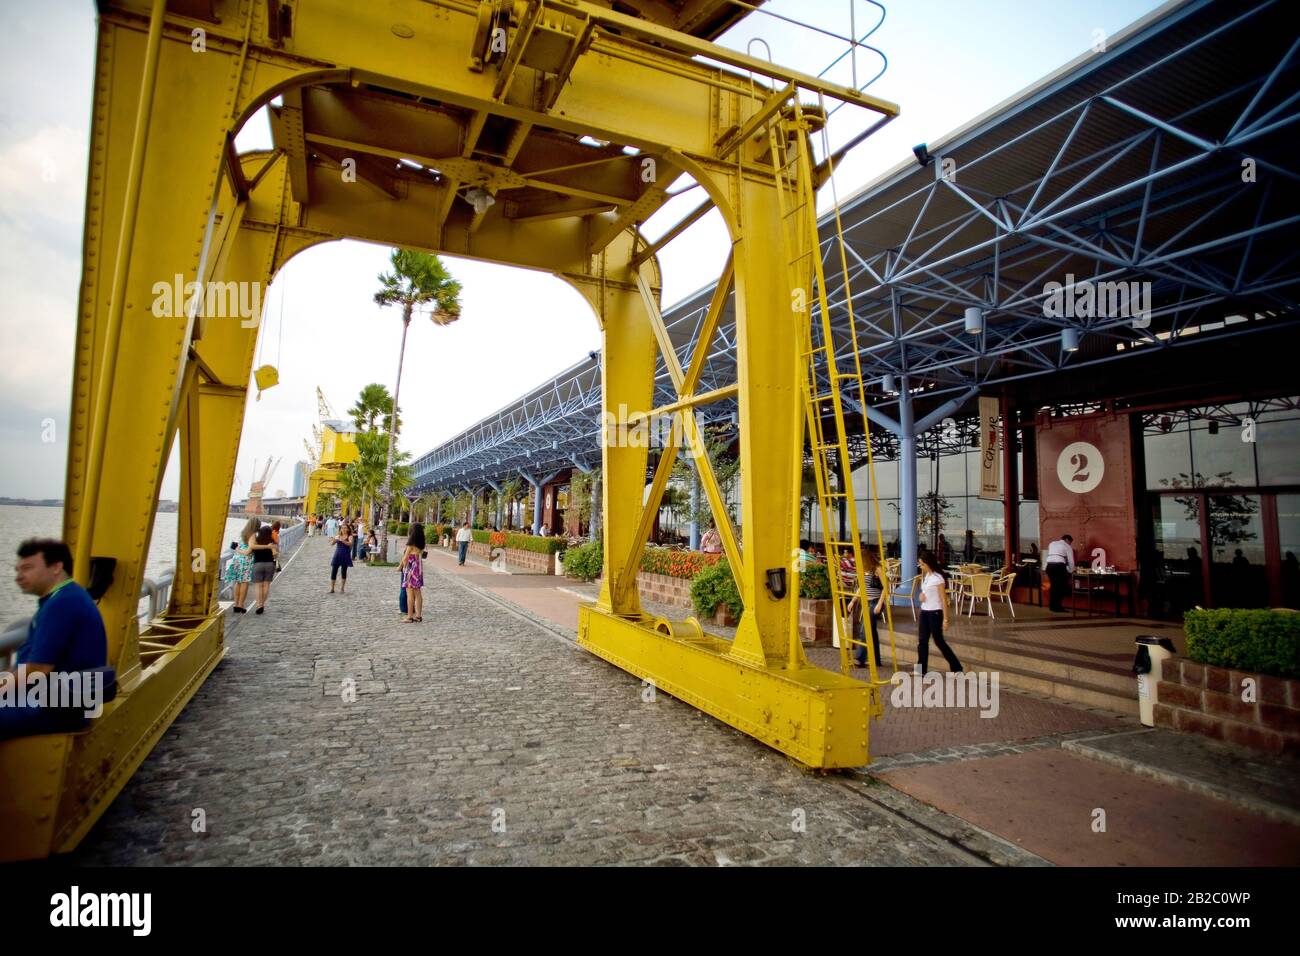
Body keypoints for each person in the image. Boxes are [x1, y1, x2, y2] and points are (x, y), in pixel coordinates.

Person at [1, 539, 109, 740]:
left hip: (53, 707)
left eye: (28, 568)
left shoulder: (62, 604)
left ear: (56, 567)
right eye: (18, 570)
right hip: (61, 699)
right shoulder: (70, 595)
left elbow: (38, 670)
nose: (19, 577)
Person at [917, 549, 963, 675]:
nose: (921, 567)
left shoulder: (938, 578)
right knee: (922, 641)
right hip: (924, 611)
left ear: (928, 563)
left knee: (939, 641)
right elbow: (925, 592)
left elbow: (944, 599)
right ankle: (921, 670)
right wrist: (921, 596)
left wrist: (946, 619)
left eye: (922, 564)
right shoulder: (926, 577)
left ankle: (956, 668)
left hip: (935, 612)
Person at [848, 548, 887, 669]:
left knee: (865, 630)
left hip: (875, 602)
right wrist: (853, 600)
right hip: (866, 602)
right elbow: (862, 587)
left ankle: (860, 658)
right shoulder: (864, 571)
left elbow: (886, 587)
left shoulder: (877, 569)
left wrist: (880, 604)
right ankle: (876, 660)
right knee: (872, 631)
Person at [223, 516, 260, 613]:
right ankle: (241, 605)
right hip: (246, 560)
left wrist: (237, 550)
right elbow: (248, 551)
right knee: (244, 582)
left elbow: (236, 545)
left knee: (237, 582)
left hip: (237, 559)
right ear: (256, 525)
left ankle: (235, 604)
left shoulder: (243, 533)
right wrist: (241, 550)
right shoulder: (252, 535)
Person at [249, 525, 279, 614]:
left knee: (258, 586)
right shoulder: (272, 542)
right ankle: (262, 604)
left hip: (258, 564)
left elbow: (250, 550)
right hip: (270, 565)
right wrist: (272, 548)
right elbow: (275, 555)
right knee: (266, 585)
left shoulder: (256, 541)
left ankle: (258, 605)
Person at [1044, 532, 1075, 612]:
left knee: (1054, 586)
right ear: (1067, 540)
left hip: (1049, 566)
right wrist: (1071, 570)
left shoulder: (1052, 543)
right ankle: (1058, 607)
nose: (1070, 544)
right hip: (1058, 567)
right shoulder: (1066, 546)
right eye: (1070, 542)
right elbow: (1070, 560)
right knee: (1060, 587)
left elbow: (1053, 555)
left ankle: (1052, 606)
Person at [402, 524, 426, 622]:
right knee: (418, 592)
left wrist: (403, 567)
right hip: (418, 568)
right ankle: (418, 615)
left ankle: (410, 616)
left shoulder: (410, 544)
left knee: (410, 593)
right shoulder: (421, 543)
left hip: (411, 568)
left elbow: (405, 558)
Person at [329, 521, 353, 593]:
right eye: (342, 528)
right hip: (337, 555)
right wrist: (334, 540)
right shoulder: (338, 536)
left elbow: (350, 544)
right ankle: (332, 588)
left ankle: (342, 588)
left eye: (345, 528)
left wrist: (342, 540)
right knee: (334, 571)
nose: (343, 529)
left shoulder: (350, 536)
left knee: (343, 571)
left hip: (345, 555)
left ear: (348, 529)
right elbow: (332, 544)